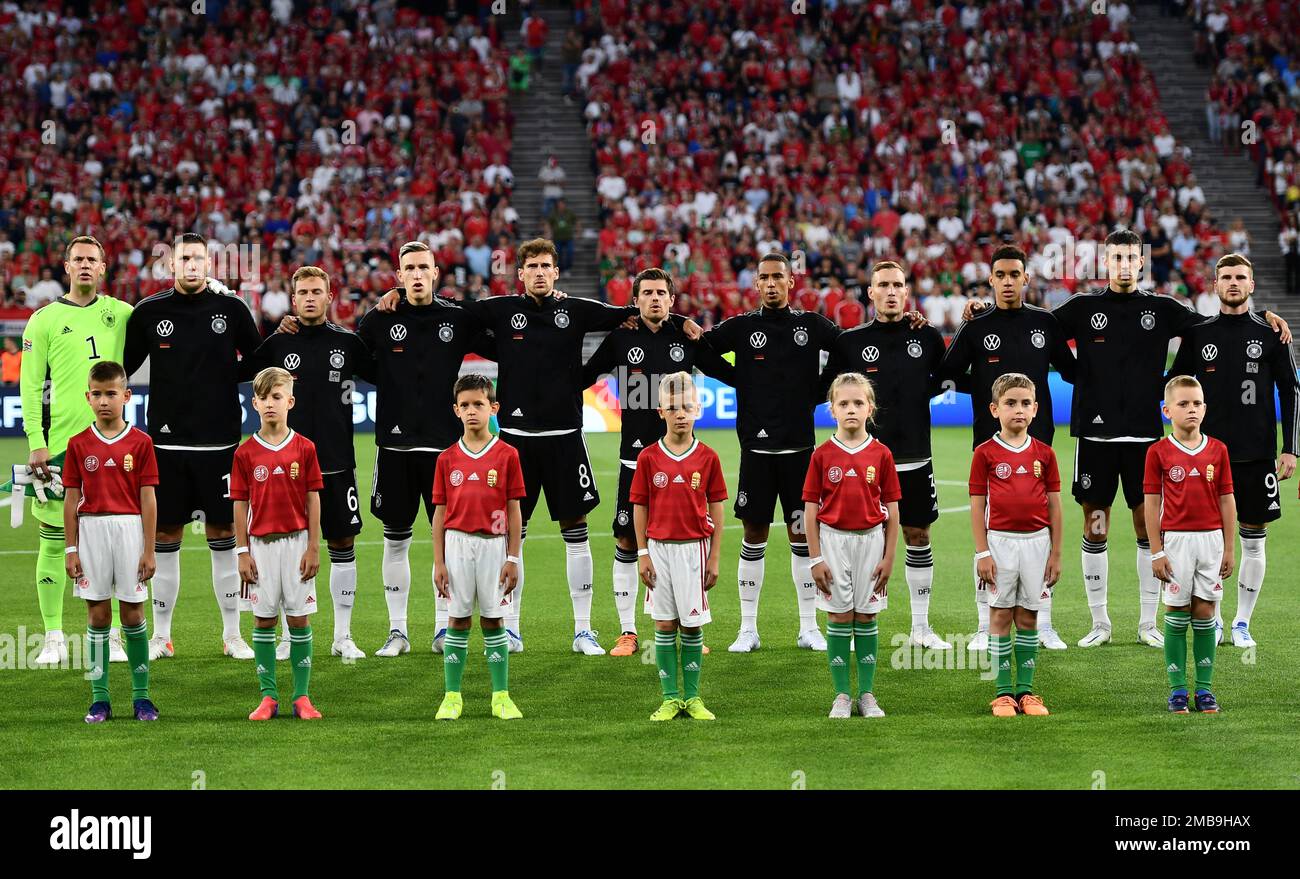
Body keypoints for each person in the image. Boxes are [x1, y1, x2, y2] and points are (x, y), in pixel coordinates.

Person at [1044, 229, 1287, 649]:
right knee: (1096, 526)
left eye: (1130, 258)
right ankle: (1100, 623)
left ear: (1141, 263)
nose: (1123, 264)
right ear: (1107, 262)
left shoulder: (1164, 309)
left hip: (1144, 439)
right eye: (1115, 257)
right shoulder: (1082, 308)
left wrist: (1263, 315)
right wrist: (1075, 372)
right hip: (1096, 438)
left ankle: (1146, 623)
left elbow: (1223, 323)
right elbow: (1039, 328)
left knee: (1146, 527)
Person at [124, 233, 264, 661]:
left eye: (198, 259)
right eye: (183, 258)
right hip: (166, 445)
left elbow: (258, 358)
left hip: (221, 443)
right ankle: (162, 636)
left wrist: (224, 375)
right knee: (166, 534)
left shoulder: (231, 308)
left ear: (209, 264)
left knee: (224, 534)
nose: (190, 265)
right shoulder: (149, 312)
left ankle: (232, 635)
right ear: (171, 265)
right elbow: (124, 367)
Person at [581, 267, 734, 656]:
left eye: (660, 293)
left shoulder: (686, 337)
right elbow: (583, 375)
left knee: (689, 539)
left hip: (685, 463)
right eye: (646, 293)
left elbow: (725, 371)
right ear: (636, 300)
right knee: (627, 541)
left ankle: (691, 629)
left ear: (671, 300)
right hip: (635, 459)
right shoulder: (620, 338)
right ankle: (628, 632)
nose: (653, 299)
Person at [354, 242, 495, 657]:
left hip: (445, 450)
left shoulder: (456, 316)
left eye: (424, 268)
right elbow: (357, 361)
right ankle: (397, 631)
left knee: (448, 540)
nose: (416, 274)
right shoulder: (379, 320)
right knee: (395, 538)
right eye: (409, 268)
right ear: (399, 276)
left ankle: (440, 627)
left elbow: (501, 335)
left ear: (436, 273)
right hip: (394, 447)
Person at [702, 252, 842, 653]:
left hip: (800, 451)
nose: (771, 283)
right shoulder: (744, 327)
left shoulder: (811, 325)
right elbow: (703, 347)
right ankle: (748, 628)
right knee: (754, 533)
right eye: (764, 278)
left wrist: (819, 390)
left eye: (778, 277)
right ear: (756, 284)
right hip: (757, 452)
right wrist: (738, 379)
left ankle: (807, 627)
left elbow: (846, 346)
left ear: (791, 281)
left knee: (803, 536)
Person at [942, 245, 1076, 652]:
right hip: (989, 440)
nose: (1007, 281)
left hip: (1039, 441)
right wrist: (987, 392)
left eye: (1014, 274)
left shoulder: (1044, 323)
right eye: (999, 275)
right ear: (990, 280)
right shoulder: (977, 325)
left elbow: (1071, 371)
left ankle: (1045, 623)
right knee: (988, 527)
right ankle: (986, 624)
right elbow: (946, 374)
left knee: (1038, 528)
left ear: (1026, 279)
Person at [246, 266, 377, 660]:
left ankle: (342, 636)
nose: (308, 298)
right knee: (287, 549)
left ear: (329, 297)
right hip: (286, 469)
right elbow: (239, 371)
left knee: (342, 543)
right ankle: (289, 635)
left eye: (316, 292)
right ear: (292, 299)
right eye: (302, 292)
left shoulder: (348, 343)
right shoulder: (276, 345)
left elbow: (388, 372)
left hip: (336, 462)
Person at [1167, 253, 1298, 648]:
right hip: (1206, 459)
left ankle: (1242, 622)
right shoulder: (1198, 334)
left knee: (1253, 538)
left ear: (1252, 285)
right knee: (1210, 542)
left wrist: (1290, 449)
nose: (1234, 283)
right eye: (1226, 277)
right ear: (1215, 285)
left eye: (1241, 277)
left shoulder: (1272, 333)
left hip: (1256, 455)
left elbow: (1291, 391)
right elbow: (1175, 386)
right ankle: (1217, 619)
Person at [821, 261, 949, 650]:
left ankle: (921, 628)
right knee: (857, 539)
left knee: (918, 534)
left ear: (906, 293)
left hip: (914, 456)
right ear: (870, 293)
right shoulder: (850, 342)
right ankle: (856, 624)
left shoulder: (926, 338)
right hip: (863, 463)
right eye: (883, 285)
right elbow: (829, 392)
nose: (891, 291)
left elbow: (946, 378)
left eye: (898, 285)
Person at [19, 236, 134, 666]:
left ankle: (119, 634)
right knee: (53, 542)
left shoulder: (122, 314)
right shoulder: (43, 320)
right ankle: (53, 636)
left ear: (103, 268)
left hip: (116, 444)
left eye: (93, 260)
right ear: (66, 266)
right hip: (62, 450)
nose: (85, 265)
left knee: (123, 541)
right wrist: (36, 441)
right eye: (78, 259)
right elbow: (30, 386)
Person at [62, 361, 159, 723]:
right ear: (88, 397)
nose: (104, 401)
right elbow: (72, 500)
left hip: (130, 530)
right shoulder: (78, 444)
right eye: (97, 394)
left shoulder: (141, 442)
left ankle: (142, 698)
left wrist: (149, 549)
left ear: (126, 396)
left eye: (111, 394)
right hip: (92, 531)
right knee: (98, 615)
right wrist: (71, 549)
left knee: (133, 613)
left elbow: (148, 498)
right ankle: (99, 699)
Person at [804, 372, 900, 718]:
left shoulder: (882, 454)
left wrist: (889, 558)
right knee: (840, 615)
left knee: (867, 615)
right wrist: (815, 559)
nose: (851, 409)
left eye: (858, 403)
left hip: (871, 541)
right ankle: (842, 695)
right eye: (843, 403)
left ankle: (868, 694)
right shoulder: (822, 454)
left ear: (869, 408)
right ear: (832, 409)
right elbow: (810, 510)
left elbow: (892, 510)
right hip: (833, 541)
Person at [631, 372, 726, 721]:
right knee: (664, 625)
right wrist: (642, 553)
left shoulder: (709, 457)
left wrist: (714, 556)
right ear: (660, 412)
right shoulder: (648, 458)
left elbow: (717, 508)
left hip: (694, 549)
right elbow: (639, 507)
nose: (681, 414)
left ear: (698, 409)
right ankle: (671, 697)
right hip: (658, 550)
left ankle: (694, 697)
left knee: (692, 625)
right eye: (674, 408)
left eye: (687, 406)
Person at [231, 367, 324, 721]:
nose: (270, 404)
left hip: (297, 544)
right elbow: (240, 503)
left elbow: (313, 498)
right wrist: (242, 551)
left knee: (299, 620)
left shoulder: (305, 448)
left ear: (290, 401)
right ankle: (268, 696)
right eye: (264, 398)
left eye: (277, 397)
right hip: (260, 547)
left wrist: (314, 546)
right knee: (264, 620)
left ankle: (302, 697)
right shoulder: (245, 453)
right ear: (253, 403)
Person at [969, 374, 1062, 717]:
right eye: (1010, 403)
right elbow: (977, 505)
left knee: (1028, 615)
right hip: (1000, 543)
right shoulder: (985, 453)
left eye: (1025, 403)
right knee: (1000, 614)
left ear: (1035, 409)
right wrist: (983, 551)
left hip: (1037, 544)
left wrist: (1055, 552)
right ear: (995, 409)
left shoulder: (1045, 454)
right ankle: (1003, 692)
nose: (1018, 410)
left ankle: (1026, 691)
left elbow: (1054, 505)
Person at [432, 375, 525, 721]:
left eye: (479, 404)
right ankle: (452, 696)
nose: (472, 411)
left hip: (494, 546)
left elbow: (514, 510)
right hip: (457, 545)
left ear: (493, 408)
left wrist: (512, 557)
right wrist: (439, 562)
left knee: (493, 618)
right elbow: (439, 515)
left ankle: (501, 696)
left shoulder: (507, 455)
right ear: (456, 410)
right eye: (465, 405)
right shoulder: (447, 459)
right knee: (456, 619)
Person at [1143, 376, 1236, 714]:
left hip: (1211, 540)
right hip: (1177, 541)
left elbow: (1227, 500)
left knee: (1206, 611)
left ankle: (1206, 690)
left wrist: (1228, 547)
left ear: (1205, 408)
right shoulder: (1158, 452)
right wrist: (1157, 550)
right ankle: (1178, 689)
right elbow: (1151, 504)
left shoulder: (1218, 450)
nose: (1191, 409)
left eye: (1196, 403)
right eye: (1183, 404)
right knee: (1177, 611)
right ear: (1167, 411)